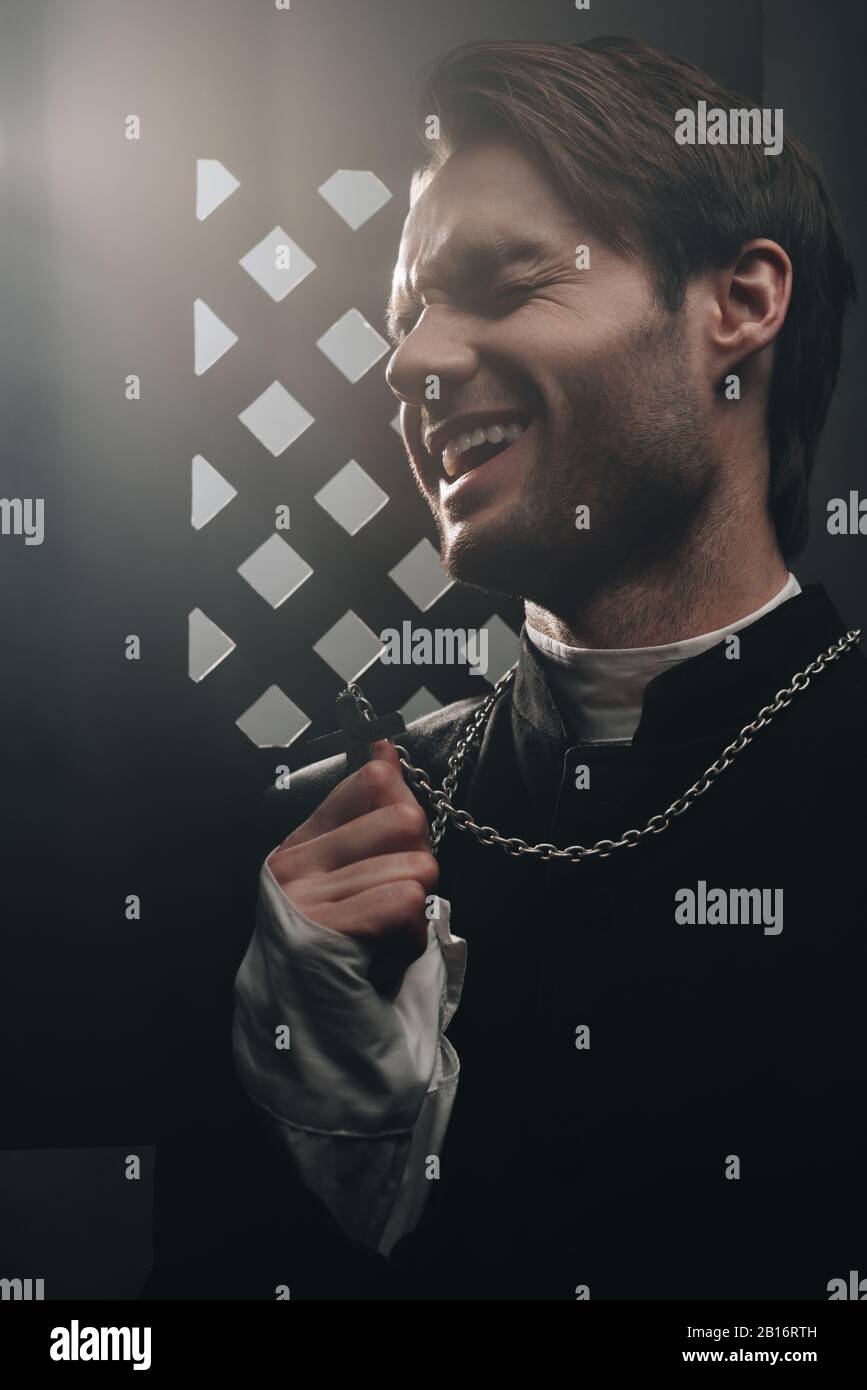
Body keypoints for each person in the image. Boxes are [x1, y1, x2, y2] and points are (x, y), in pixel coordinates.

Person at [145, 36, 865, 1300]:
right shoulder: (323, 856)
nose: (411, 365)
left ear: (739, 307)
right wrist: (326, 1167)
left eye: (497, 281)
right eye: (410, 316)